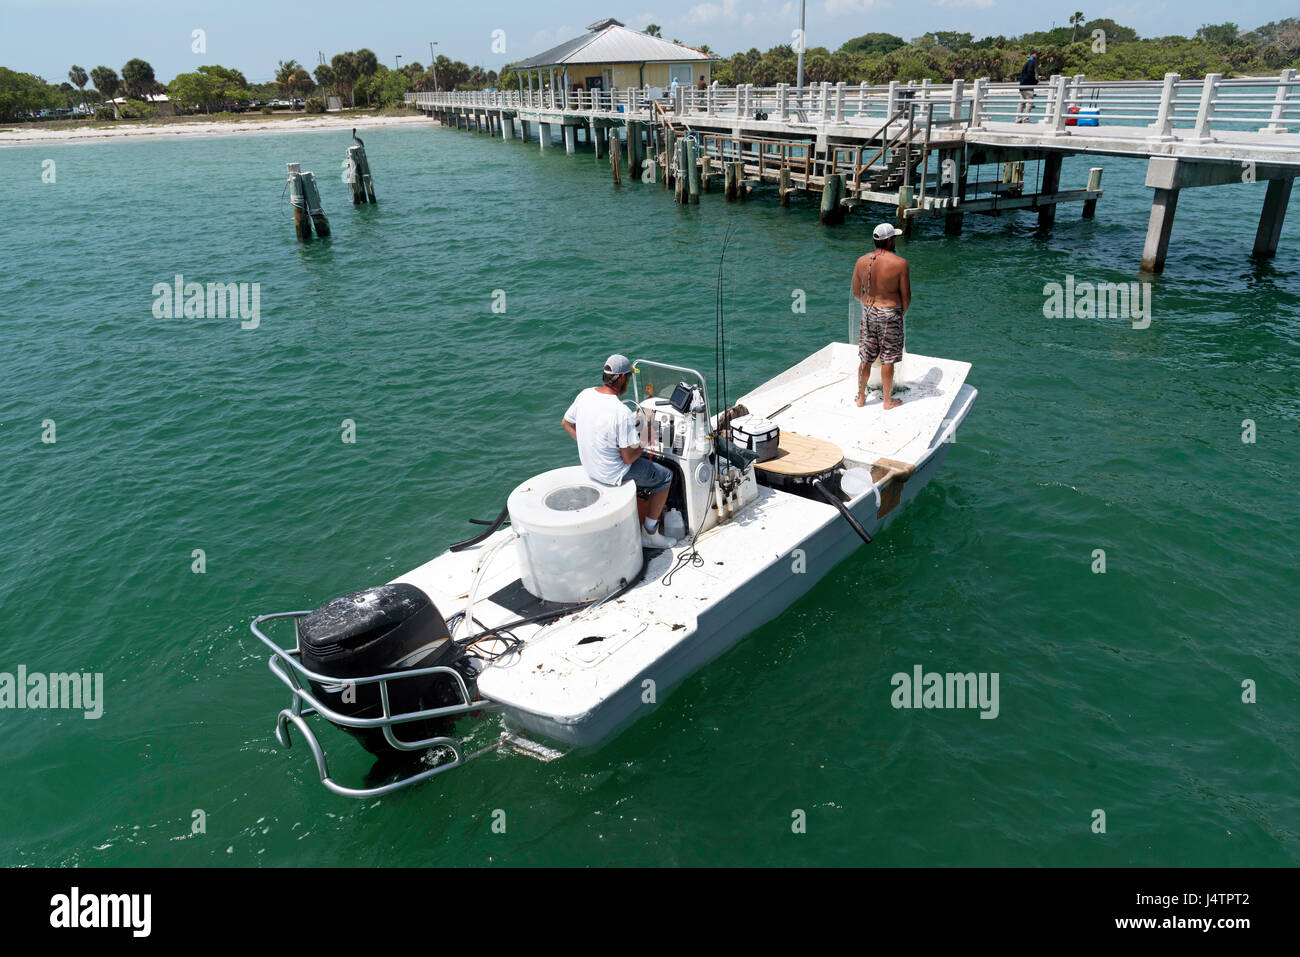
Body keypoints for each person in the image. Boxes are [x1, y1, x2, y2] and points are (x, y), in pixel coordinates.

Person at [562, 354, 676, 548]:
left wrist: (593, 444)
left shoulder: (585, 395)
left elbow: (566, 423)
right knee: (665, 476)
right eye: (629, 377)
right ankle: (650, 534)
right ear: (622, 378)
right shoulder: (620, 411)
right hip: (613, 473)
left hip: (591, 468)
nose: (629, 381)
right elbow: (629, 458)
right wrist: (645, 439)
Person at [851, 224, 911, 411]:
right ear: (890, 240)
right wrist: (897, 314)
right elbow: (906, 297)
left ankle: (861, 398)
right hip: (890, 313)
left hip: (869, 312)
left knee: (866, 358)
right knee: (888, 359)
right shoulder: (900, 264)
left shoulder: (861, 261)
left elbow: (856, 291)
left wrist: (870, 305)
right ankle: (887, 401)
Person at [1016, 51, 1040, 123]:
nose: (1037, 55)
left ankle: (1018, 119)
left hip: (1022, 85)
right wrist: (1035, 81)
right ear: (1032, 54)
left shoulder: (1027, 63)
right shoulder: (1031, 63)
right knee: (1029, 102)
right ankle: (1026, 119)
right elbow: (1030, 73)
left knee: (1021, 102)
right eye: (1036, 54)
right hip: (1028, 85)